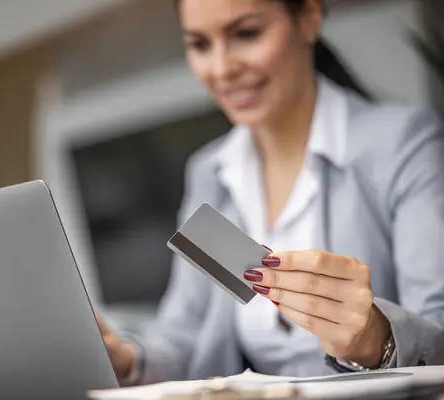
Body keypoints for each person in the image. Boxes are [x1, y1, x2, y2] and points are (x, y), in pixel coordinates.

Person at [97, 0, 444, 384]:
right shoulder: (212, 173)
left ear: (309, 17)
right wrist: (124, 359)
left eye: (247, 34)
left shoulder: (402, 144)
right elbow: (186, 338)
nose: (222, 68)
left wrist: (376, 339)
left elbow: (438, 331)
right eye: (199, 44)